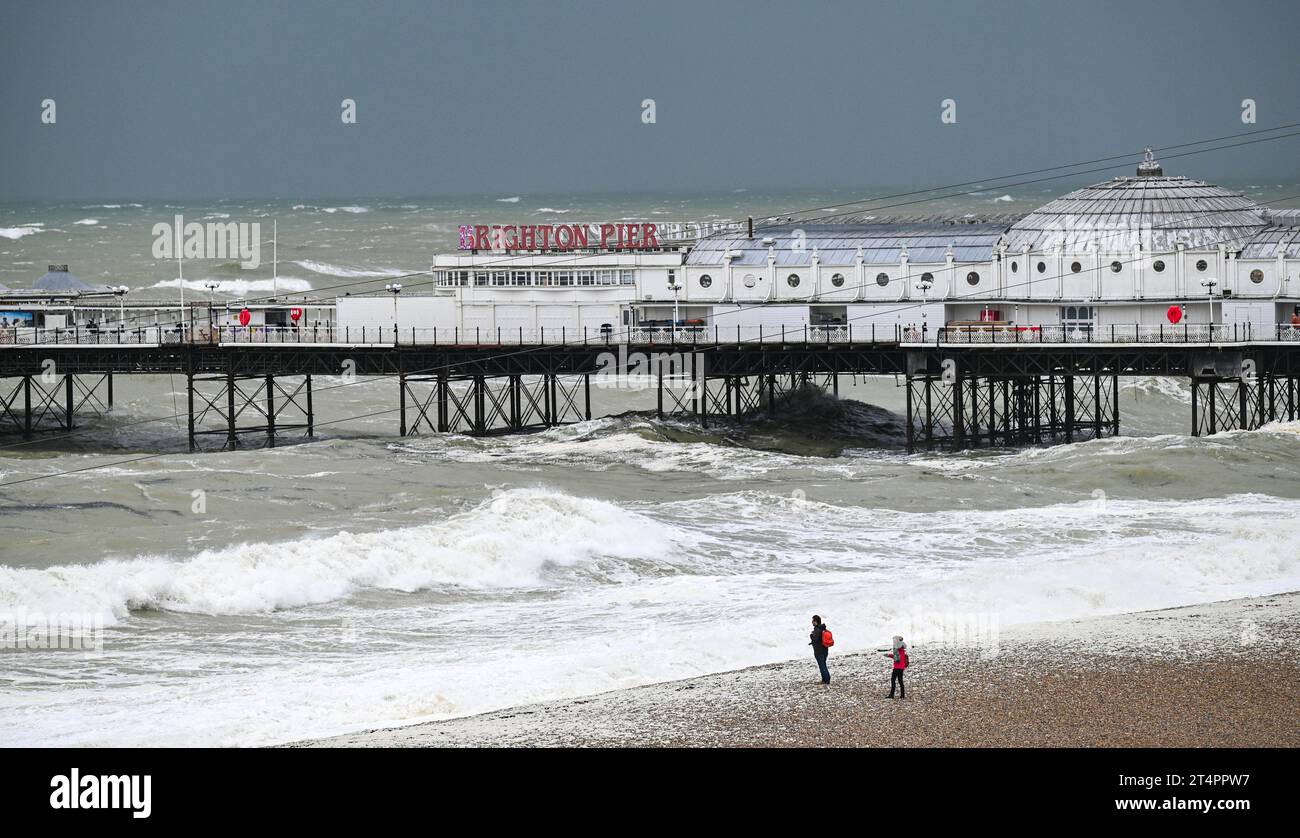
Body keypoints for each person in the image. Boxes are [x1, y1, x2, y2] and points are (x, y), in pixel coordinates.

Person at [809, 615, 831, 685]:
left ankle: (826, 680)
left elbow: (815, 640)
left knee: (822, 666)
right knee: (823, 665)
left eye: (813, 620)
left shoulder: (817, 630)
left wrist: (811, 636)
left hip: (819, 651)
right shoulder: (823, 628)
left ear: (815, 621)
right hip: (825, 650)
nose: (812, 622)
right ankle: (825, 679)